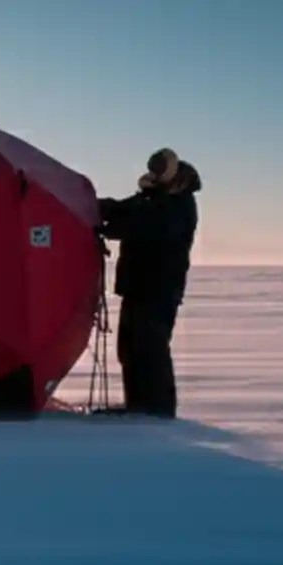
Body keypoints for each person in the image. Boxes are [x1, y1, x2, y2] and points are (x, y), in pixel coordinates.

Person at [97, 148, 202, 418]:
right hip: (137, 286)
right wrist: (95, 206)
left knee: (151, 350)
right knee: (130, 349)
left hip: (159, 289)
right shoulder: (153, 197)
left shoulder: (179, 204)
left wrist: (106, 227)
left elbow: (143, 225)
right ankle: (139, 406)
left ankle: (158, 410)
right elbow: (124, 209)